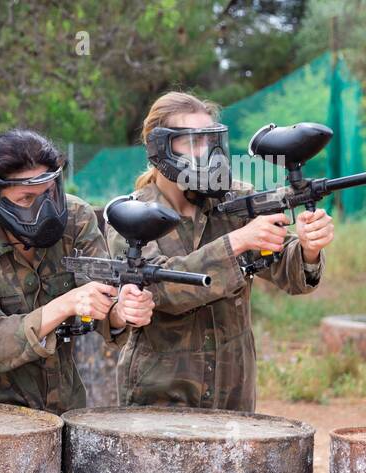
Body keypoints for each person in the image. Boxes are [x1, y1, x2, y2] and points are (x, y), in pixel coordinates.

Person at [111, 91, 333, 410]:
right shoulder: (130, 216)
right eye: (193, 141)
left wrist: (309, 248)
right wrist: (238, 242)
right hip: (161, 398)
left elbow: (288, 272)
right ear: (159, 147)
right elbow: (163, 291)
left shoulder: (236, 199)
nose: (207, 153)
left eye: (210, 140)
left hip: (233, 394)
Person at [0, 129, 156, 415]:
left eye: (49, 193)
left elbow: (102, 304)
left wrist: (122, 311)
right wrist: (64, 305)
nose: (44, 208)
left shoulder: (76, 218)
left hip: (68, 408)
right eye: (26, 199)